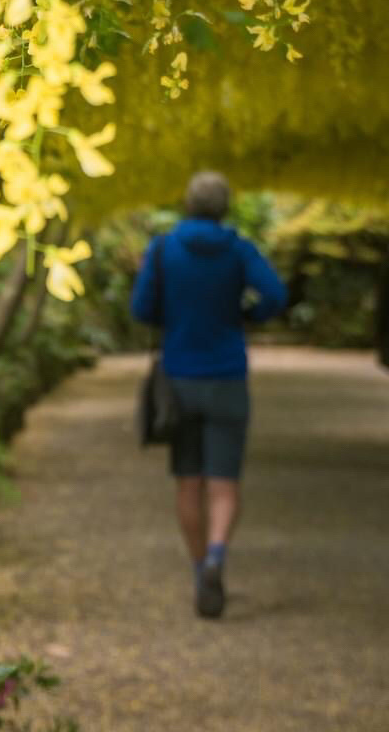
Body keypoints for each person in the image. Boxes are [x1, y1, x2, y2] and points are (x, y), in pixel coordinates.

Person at [130, 171, 287, 618]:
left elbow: (141, 309)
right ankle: (218, 555)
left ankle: (200, 569)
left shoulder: (163, 249)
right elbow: (276, 293)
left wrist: (176, 313)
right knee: (224, 484)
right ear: (225, 207)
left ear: (187, 203)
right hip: (227, 376)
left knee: (189, 483)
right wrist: (246, 315)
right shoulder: (238, 249)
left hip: (178, 380)